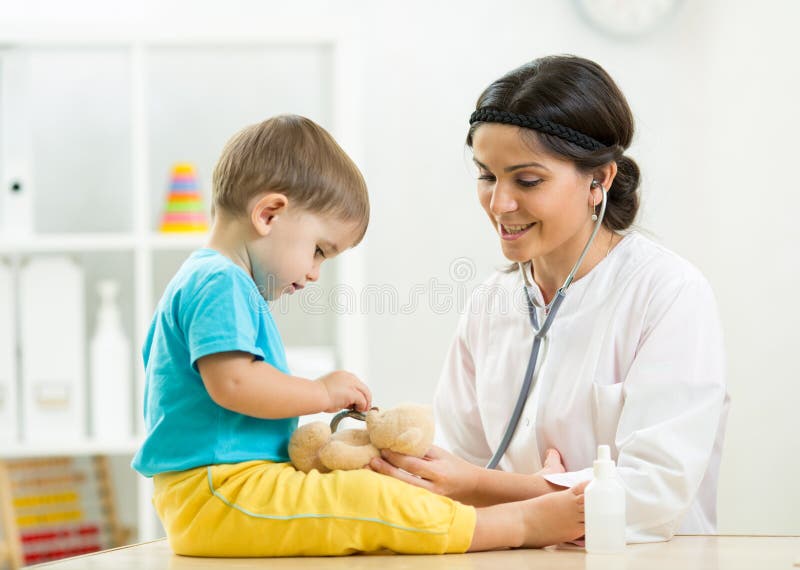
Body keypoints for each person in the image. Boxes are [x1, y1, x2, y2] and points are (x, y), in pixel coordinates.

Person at [131, 114, 589, 557]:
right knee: (365, 500)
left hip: (218, 493)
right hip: (220, 493)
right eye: (318, 251)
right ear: (269, 214)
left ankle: (512, 504)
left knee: (368, 488)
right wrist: (320, 392)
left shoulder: (211, 280)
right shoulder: (221, 282)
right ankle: (521, 523)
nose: (314, 274)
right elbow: (233, 384)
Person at [370, 55, 730, 543]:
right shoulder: (489, 304)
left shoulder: (667, 293)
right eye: (486, 175)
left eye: (528, 180)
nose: (499, 204)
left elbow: (653, 497)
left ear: (599, 180)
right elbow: (451, 475)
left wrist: (496, 486)